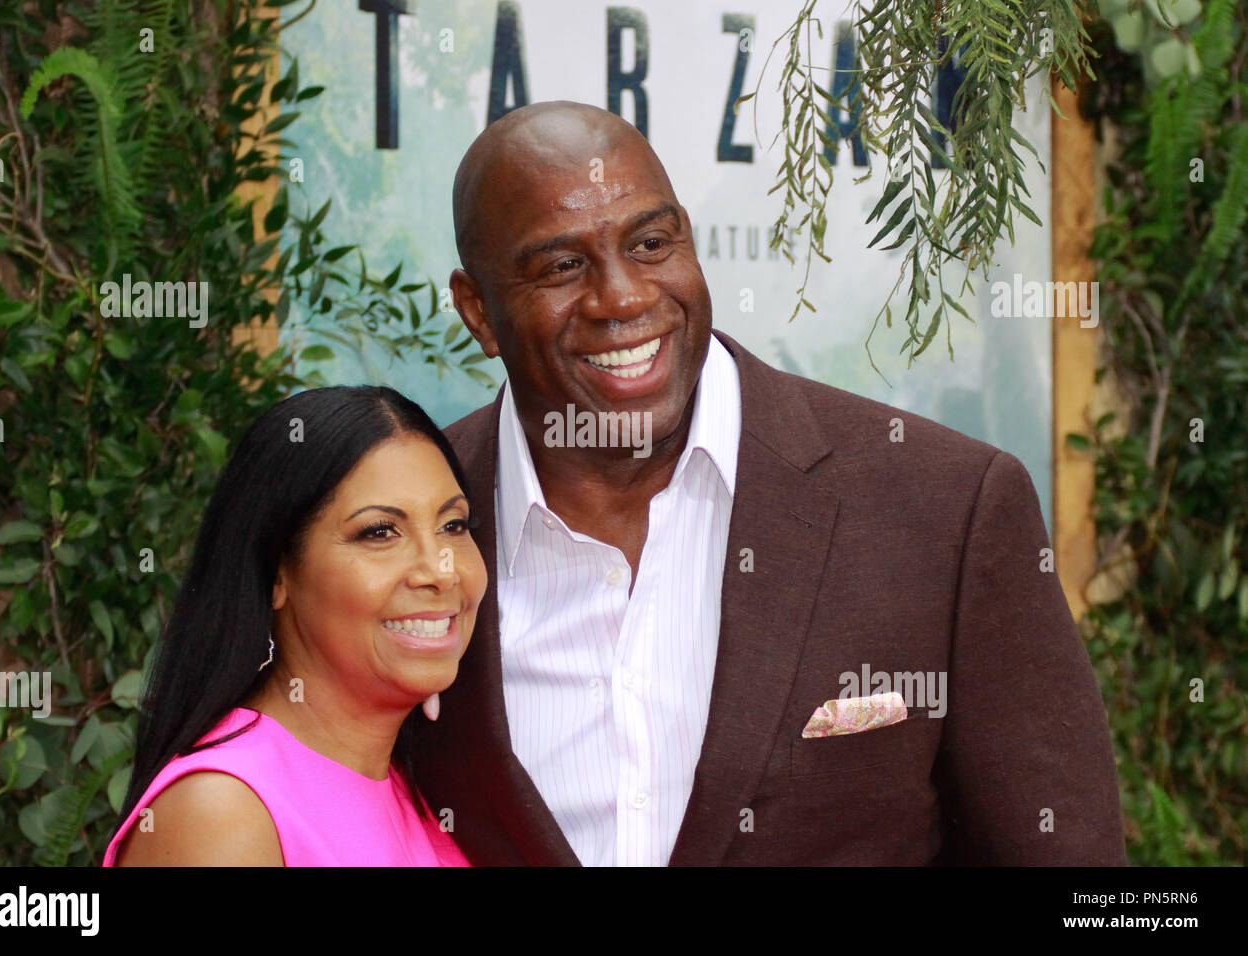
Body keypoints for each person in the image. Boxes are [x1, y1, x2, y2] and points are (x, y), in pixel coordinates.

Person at [410, 101, 1128, 865]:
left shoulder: (948, 509)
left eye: (651, 243)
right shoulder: (393, 534)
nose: (622, 298)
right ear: (478, 312)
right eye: (562, 266)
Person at [105, 386, 486, 866]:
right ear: (276, 575)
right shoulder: (222, 811)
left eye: (453, 525)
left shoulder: (418, 789)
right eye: (379, 532)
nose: (441, 570)